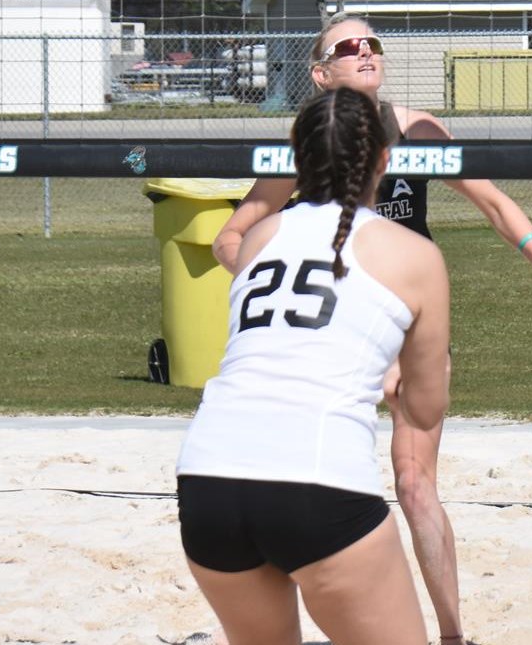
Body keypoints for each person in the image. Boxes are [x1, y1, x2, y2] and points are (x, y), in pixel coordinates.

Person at [213, 14, 532, 645]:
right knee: (308, 474)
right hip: (329, 331)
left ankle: (451, 633)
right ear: (320, 72)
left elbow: (493, 201)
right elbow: (231, 236)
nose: (365, 53)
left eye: (373, 44)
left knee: (414, 484)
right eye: (348, 47)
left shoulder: (416, 128)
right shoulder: (315, 141)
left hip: (406, 323)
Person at [178, 87, 450, 644]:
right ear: (383, 159)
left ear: (298, 163)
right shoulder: (412, 253)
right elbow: (423, 410)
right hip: (316, 479)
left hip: (208, 479)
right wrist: (397, 383)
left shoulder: (260, 236)